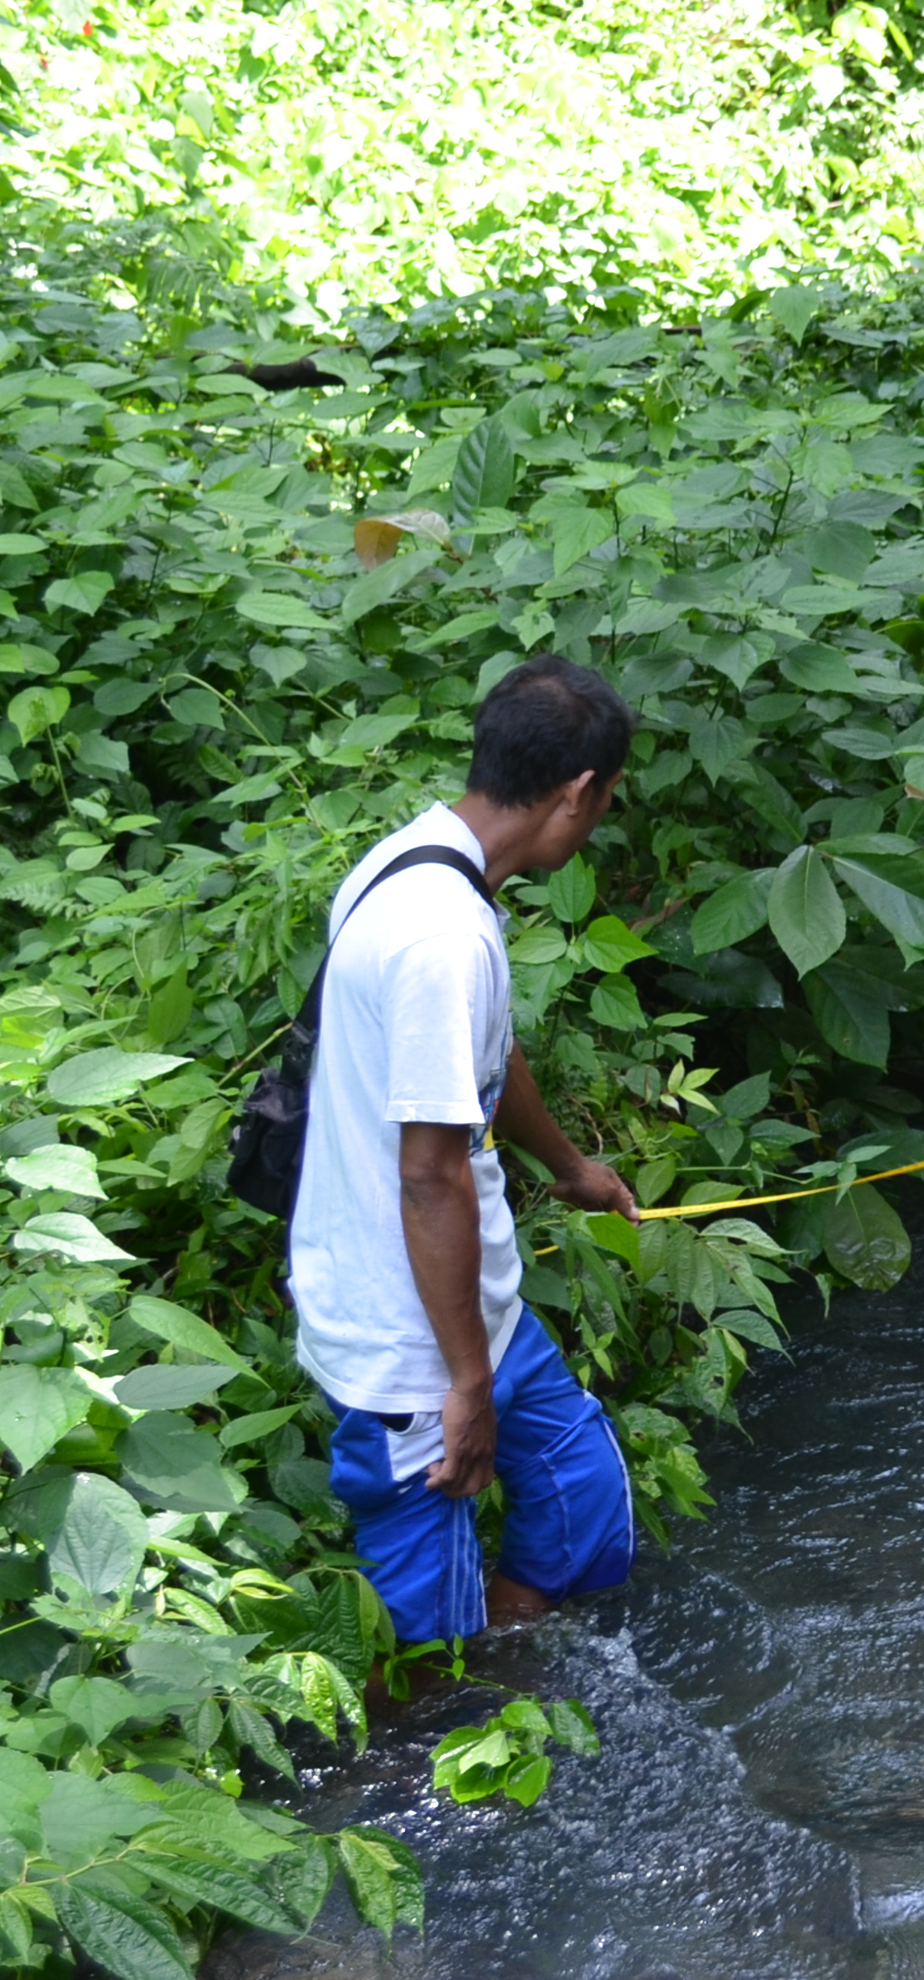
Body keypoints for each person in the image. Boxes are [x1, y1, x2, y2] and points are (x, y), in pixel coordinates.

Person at [292, 655, 647, 1652]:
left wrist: (568, 1166)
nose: (602, 815)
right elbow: (429, 1172)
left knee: (581, 1506)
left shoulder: (424, 860)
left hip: (464, 1310)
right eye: (608, 799)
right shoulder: (440, 933)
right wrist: (466, 1389)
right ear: (578, 791)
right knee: (427, 1647)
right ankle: (432, 1756)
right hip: (410, 1348)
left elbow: (482, 1054)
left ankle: (513, 1664)